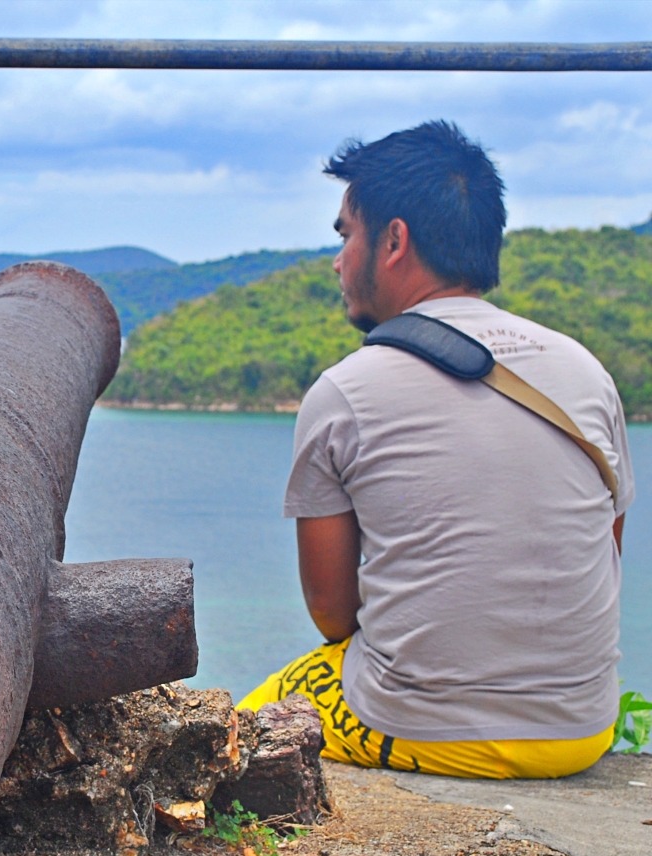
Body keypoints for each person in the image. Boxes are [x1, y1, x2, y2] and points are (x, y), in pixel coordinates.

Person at [237, 121, 634, 779]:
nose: (337, 260)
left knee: (245, 731)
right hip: (583, 727)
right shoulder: (586, 371)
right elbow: (605, 546)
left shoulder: (345, 392)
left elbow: (334, 617)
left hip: (427, 728)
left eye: (345, 234)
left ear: (394, 240)